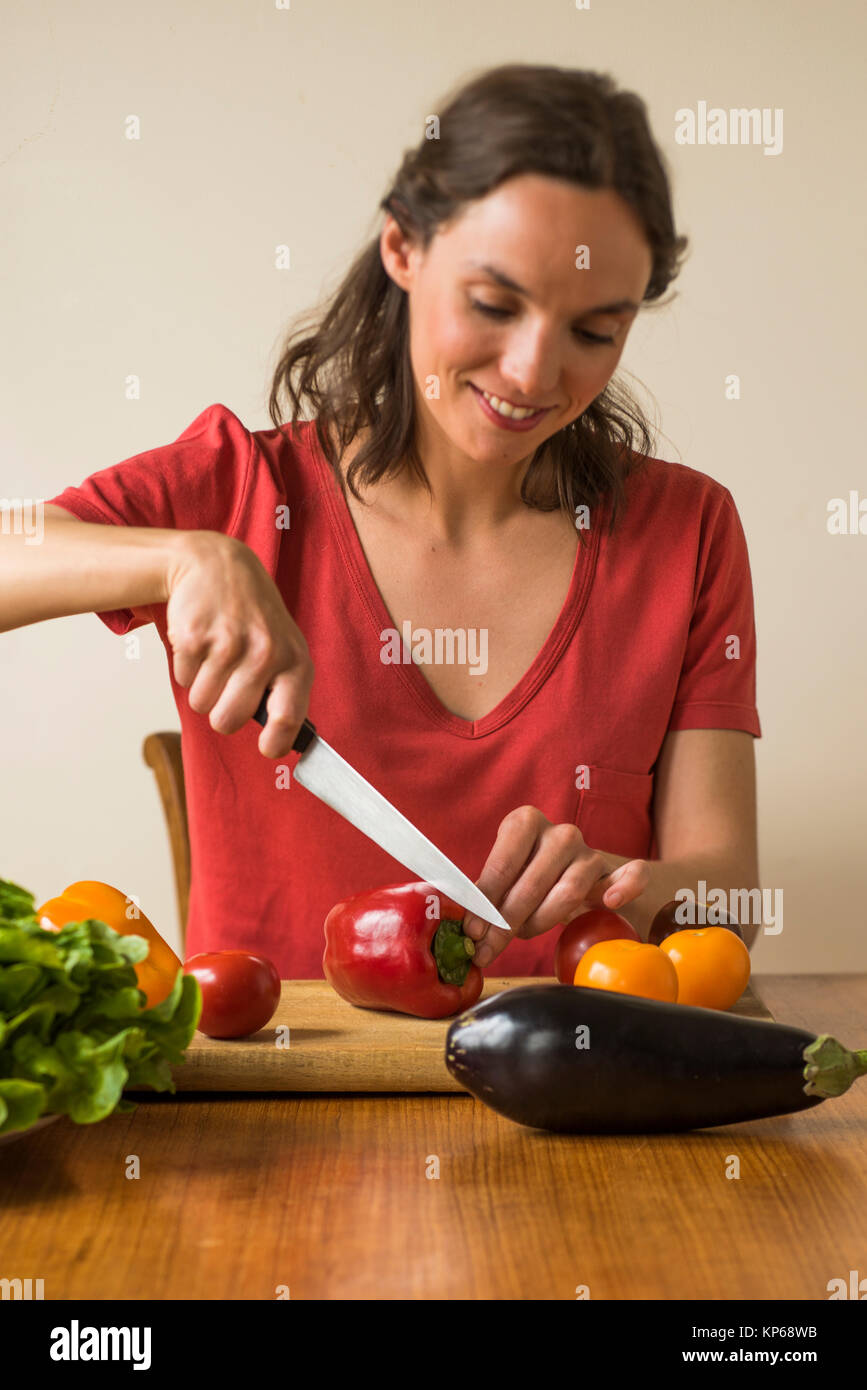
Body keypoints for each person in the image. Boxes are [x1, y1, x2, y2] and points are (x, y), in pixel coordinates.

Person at [1, 64, 761, 976]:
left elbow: (728, 899)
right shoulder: (239, 491)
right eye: (492, 304)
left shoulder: (687, 530)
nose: (530, 372)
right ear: (402, 250)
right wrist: (181, 561)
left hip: (572, 1099)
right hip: (259, 1104)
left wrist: (631, 888)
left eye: (594, 332)